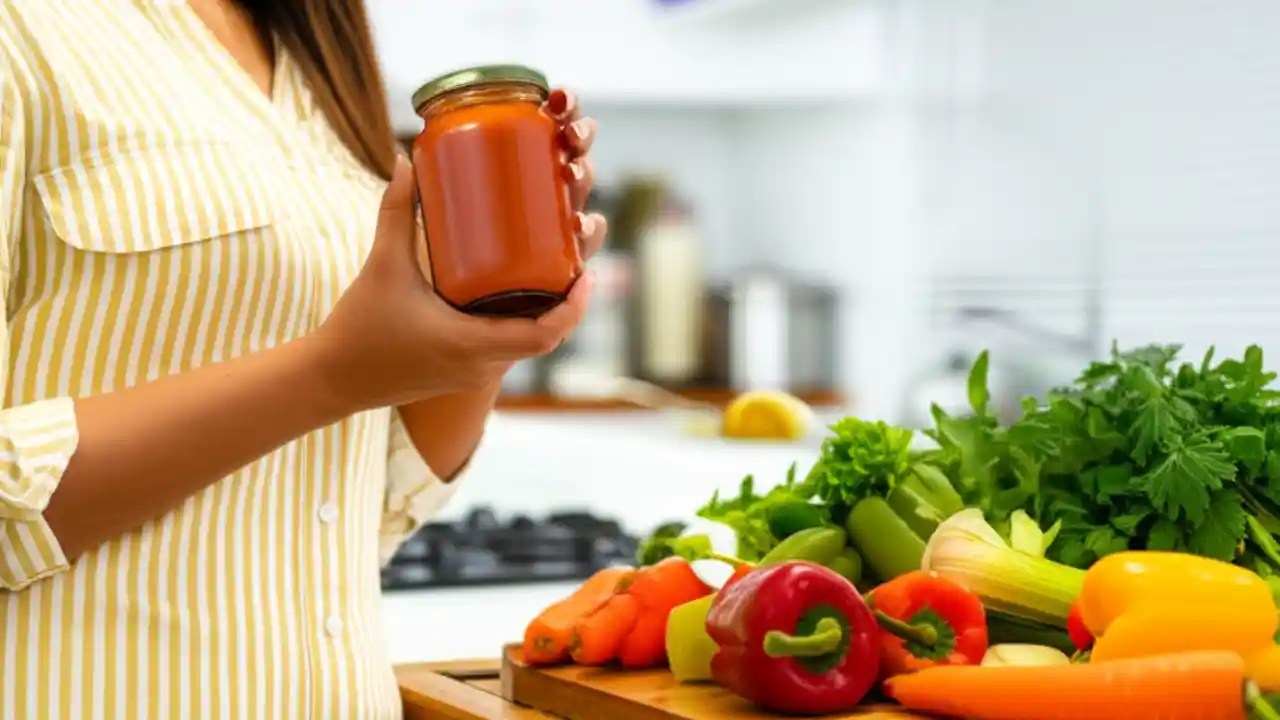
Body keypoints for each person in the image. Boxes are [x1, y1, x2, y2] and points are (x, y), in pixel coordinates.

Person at [0, 1, 607, 718]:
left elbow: (350, 506)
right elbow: (334, 381)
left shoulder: (310, 39)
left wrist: (487, 319)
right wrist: (330, 374)